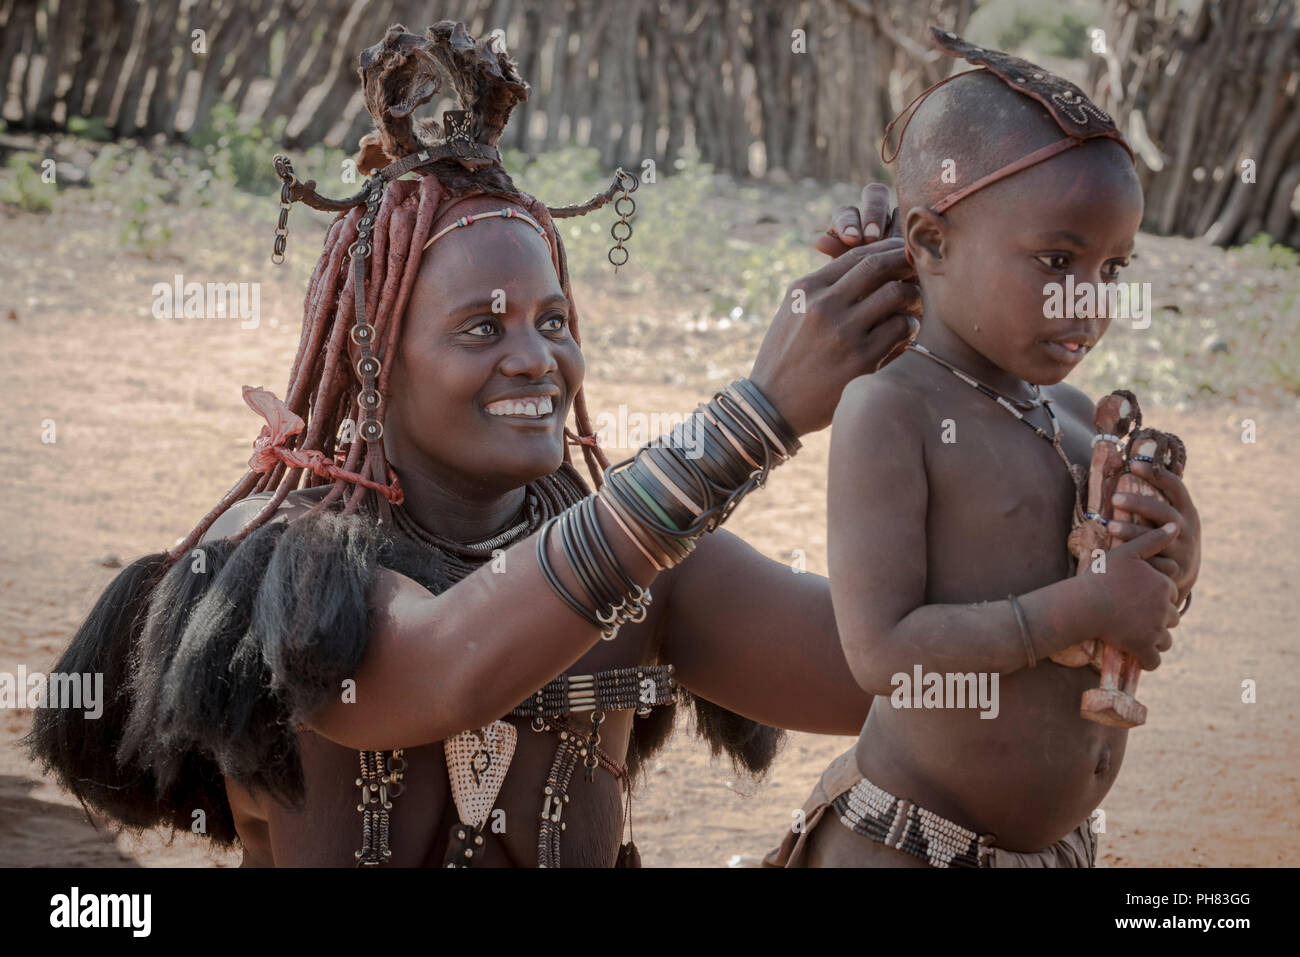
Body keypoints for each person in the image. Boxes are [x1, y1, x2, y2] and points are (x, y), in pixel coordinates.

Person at [25, 21, 921, 868]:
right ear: (372, 355)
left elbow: (900, 674)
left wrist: (934, 335)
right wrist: (758, 414)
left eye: (554, 320)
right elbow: (444, 667)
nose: (535, 359)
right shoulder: (285, 563)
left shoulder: (659, 570)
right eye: (482, 330)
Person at [765, 28, 1202, 868]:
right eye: (1056, 258)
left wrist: (1176, 559)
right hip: (907, 846)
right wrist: (1079, 613)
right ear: (930, 241)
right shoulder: (892, 409)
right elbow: (883, 649)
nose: (1089, 297)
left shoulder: (1080, 417)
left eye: (1114, 268)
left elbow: (1139, 596)